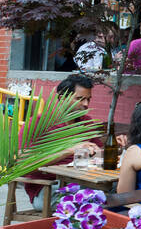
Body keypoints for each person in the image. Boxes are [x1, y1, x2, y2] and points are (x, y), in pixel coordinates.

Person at [24, 73, 99, 204]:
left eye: (88, 99)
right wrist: (69, 151)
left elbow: (99, 153)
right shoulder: (39, 123)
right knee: (98, 197)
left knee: (116, 189)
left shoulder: (86, 122)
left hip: (83, 181)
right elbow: (23, 163)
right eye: (80, 99)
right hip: (49, 188)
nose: (86, 104)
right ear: (62, 98)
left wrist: (100, 152)